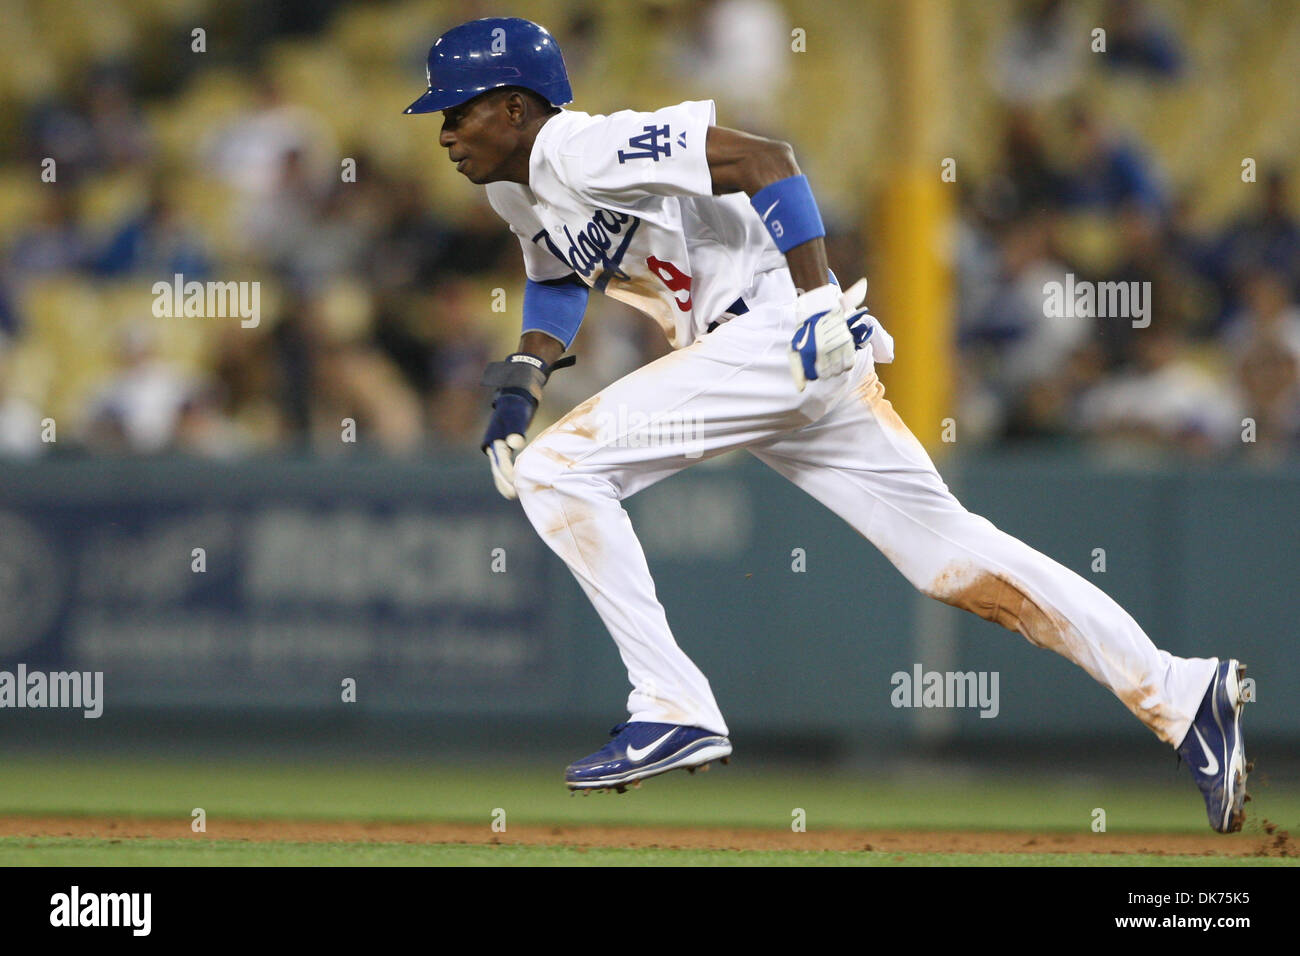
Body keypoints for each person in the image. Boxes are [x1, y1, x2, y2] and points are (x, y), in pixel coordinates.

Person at [406, 17, 1248, 831]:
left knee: (560, 473)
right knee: (948, 555)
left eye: (458, 108)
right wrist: (523, 378)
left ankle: (672, 704)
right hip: (772, 360)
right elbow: (558, 274)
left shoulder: (578, 146)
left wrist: (815, 304)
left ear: (515, 108)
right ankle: (1180, 691)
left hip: (781, 335)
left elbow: (767, 160)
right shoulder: (523, 190)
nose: (444, 131)